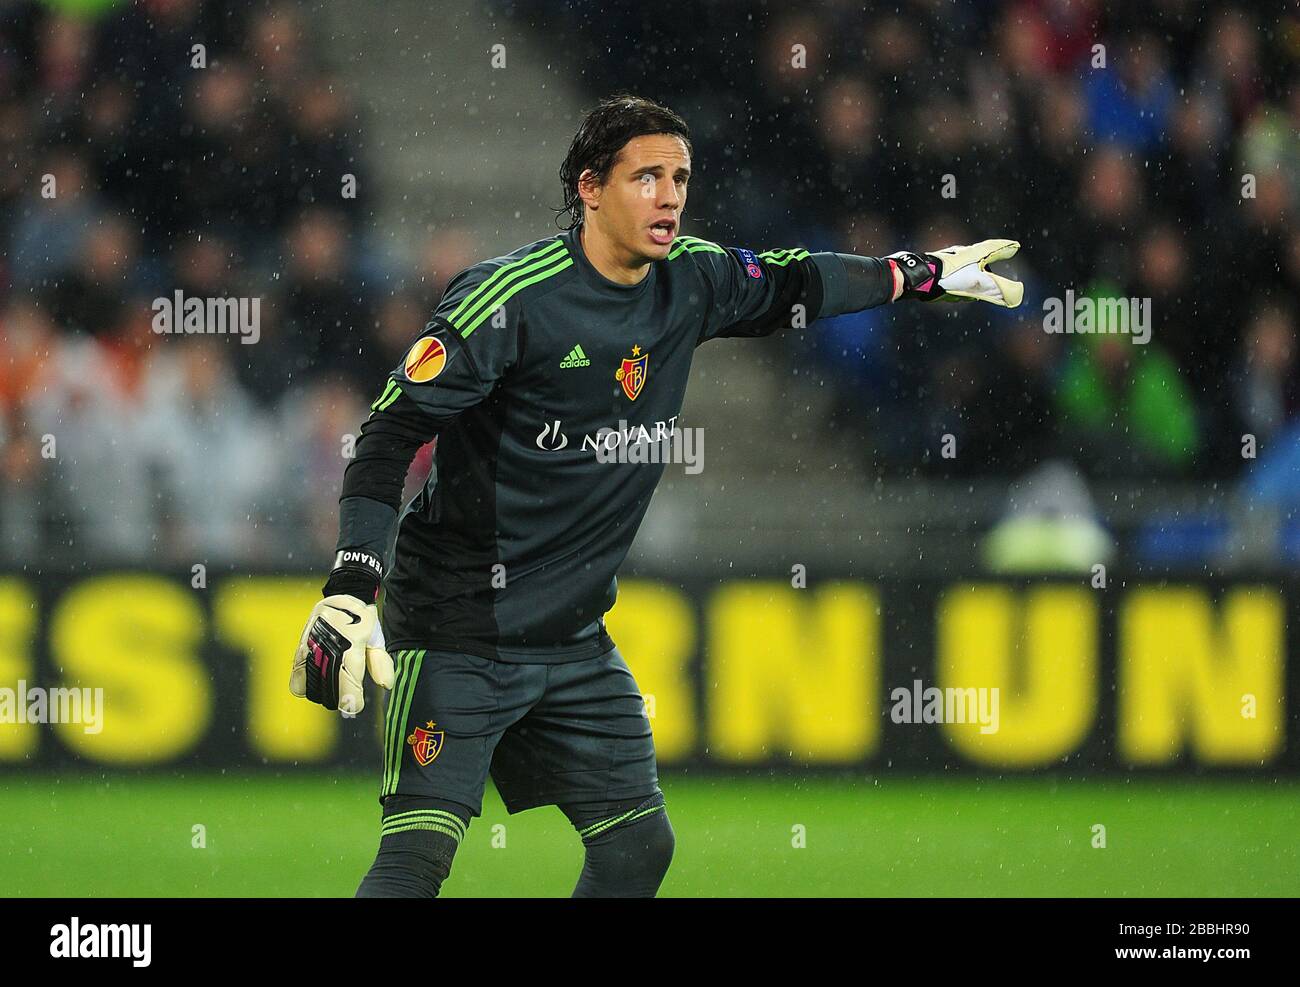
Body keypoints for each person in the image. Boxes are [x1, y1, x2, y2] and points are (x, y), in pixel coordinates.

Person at [287, 93, 1023, 898]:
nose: (669, 194)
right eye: (646, 176)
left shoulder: (693, 280)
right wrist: (354, 584)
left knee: (639, 848)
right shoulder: (510, 299)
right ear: (590, 187)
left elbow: (794, 282)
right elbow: (390, 431)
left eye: (680, 176)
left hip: (571, 638)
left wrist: (915, 276)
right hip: (460, 625)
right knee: (417, 859)